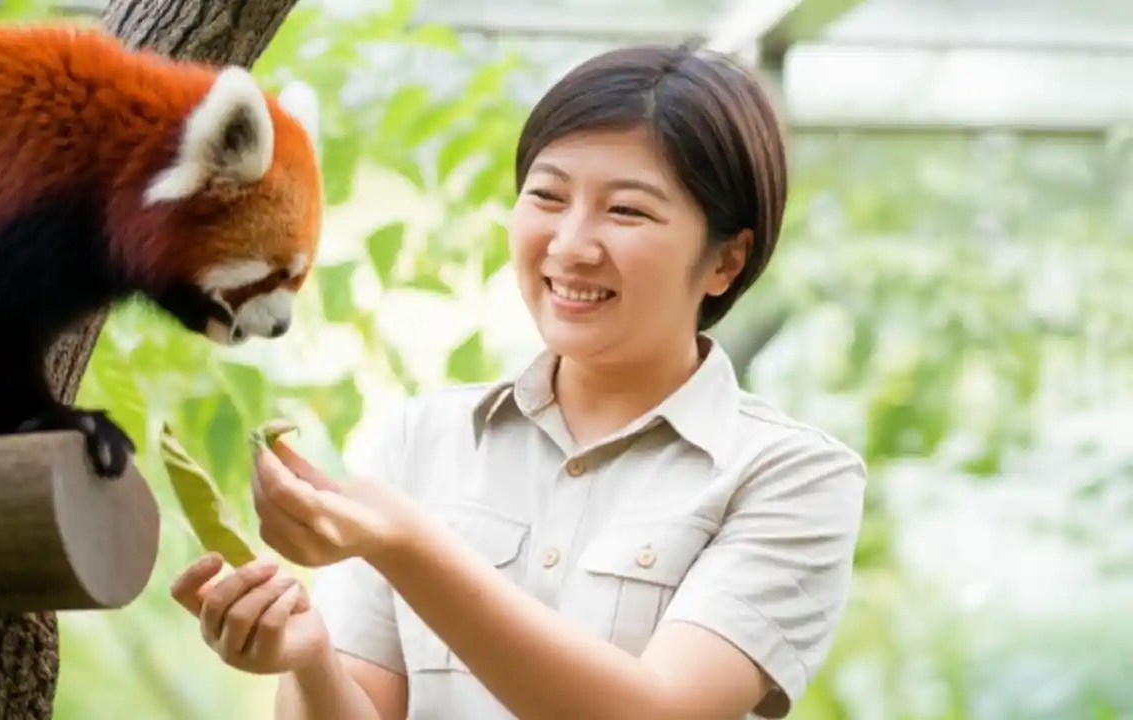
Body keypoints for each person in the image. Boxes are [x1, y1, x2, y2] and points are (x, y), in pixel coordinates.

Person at [171, 41, 866, 720]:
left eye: (626, 210)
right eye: (548, 196)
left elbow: (657, 712)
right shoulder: (417, 439)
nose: (570, 246)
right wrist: (310, 658)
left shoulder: (791, 477)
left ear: (725, 261)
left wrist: (407, 545)